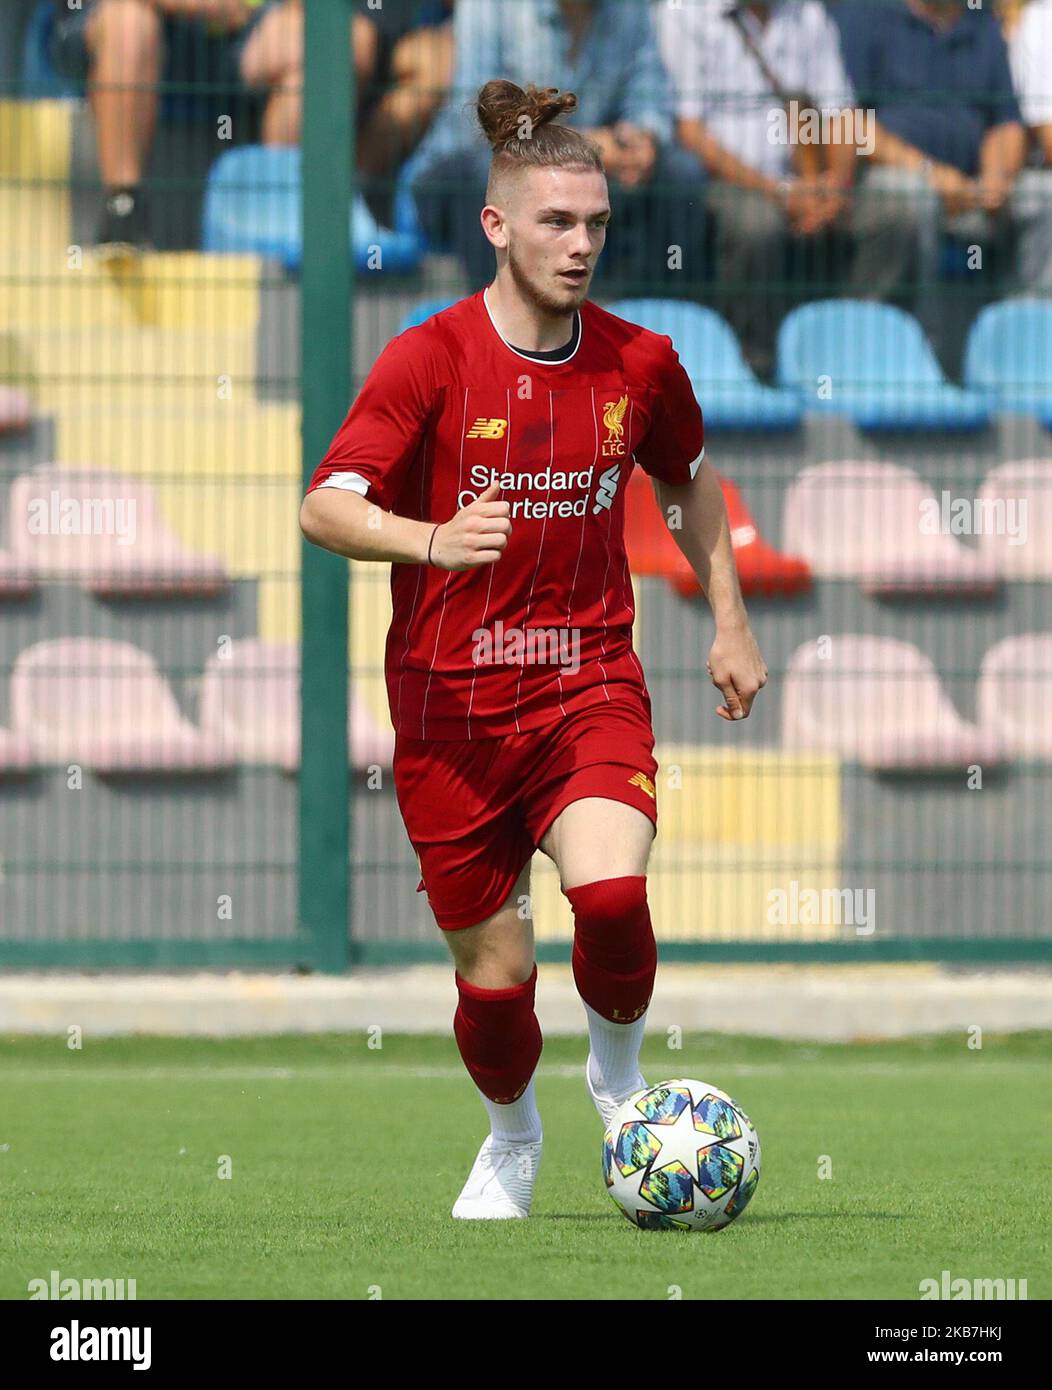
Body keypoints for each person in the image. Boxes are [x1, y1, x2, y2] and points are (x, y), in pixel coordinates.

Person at [300, 80, 767, 1220]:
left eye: (597, 224)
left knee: (610, 896)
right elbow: (326, 504)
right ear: (496, 225)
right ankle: (513, 1133)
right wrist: (429, 538)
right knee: (495, 975)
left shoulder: (639, 362)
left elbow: (688, 485)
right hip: (449, 714)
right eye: (556, 222)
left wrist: (730, 617)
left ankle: (617, 1078)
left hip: (584, 680)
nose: (581, 244)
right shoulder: (428, 360)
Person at [408, 0, 707, 290]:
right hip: (467, 170)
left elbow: (649, 93)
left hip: (590, 169)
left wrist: (641, 141)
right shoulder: (489, 5)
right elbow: (479, 116)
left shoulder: (631, 7)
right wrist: (588, 144)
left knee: (681, 171)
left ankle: (644, 320)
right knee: (486, 175)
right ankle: (500, 324)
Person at [656, 0, 860, 373]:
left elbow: (842, 113)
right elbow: (691, 133)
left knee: (894, 211)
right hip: (726, 182)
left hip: (809, 182)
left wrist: (835, 188)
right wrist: (778, 193)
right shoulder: (683, 12)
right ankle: (755, 365)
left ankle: (849, 356)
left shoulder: (808, 12)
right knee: (757, 224)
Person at [835, 0, 1052, 301]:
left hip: (972, 189)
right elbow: (847, 122)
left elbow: (1005, 122)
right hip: (890, 182)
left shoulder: (981, 21)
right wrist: (929, 173)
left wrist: (996, 177)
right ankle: (917, 338)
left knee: (1043, 195)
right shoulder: (865, 14)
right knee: (910, 196)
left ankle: (1024, 332)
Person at [48, 0, 266, 253]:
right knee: (128, 23)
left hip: (234, 38)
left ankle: (290, 226)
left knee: (294, 41)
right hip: (113, 25)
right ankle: (123, 209)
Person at [239, 0, 453, 219]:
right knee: (333, 55)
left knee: (436, 60)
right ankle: (287, 203)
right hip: (312, 31)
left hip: (394, 36)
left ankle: (347, 195)